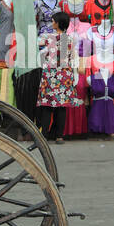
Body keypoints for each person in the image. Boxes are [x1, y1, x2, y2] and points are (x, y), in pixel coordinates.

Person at [35, 11, 81, 142]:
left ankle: (44, 135)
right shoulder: (71, 39)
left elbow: (38, 47)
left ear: (58, 23)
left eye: (54, 21)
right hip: (65, 74)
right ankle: (59, 135)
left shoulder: (48, 37)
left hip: (50, 74)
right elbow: (73, 57)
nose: (52, 23)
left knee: (47, 105)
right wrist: (75, 74)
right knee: (61, 106)